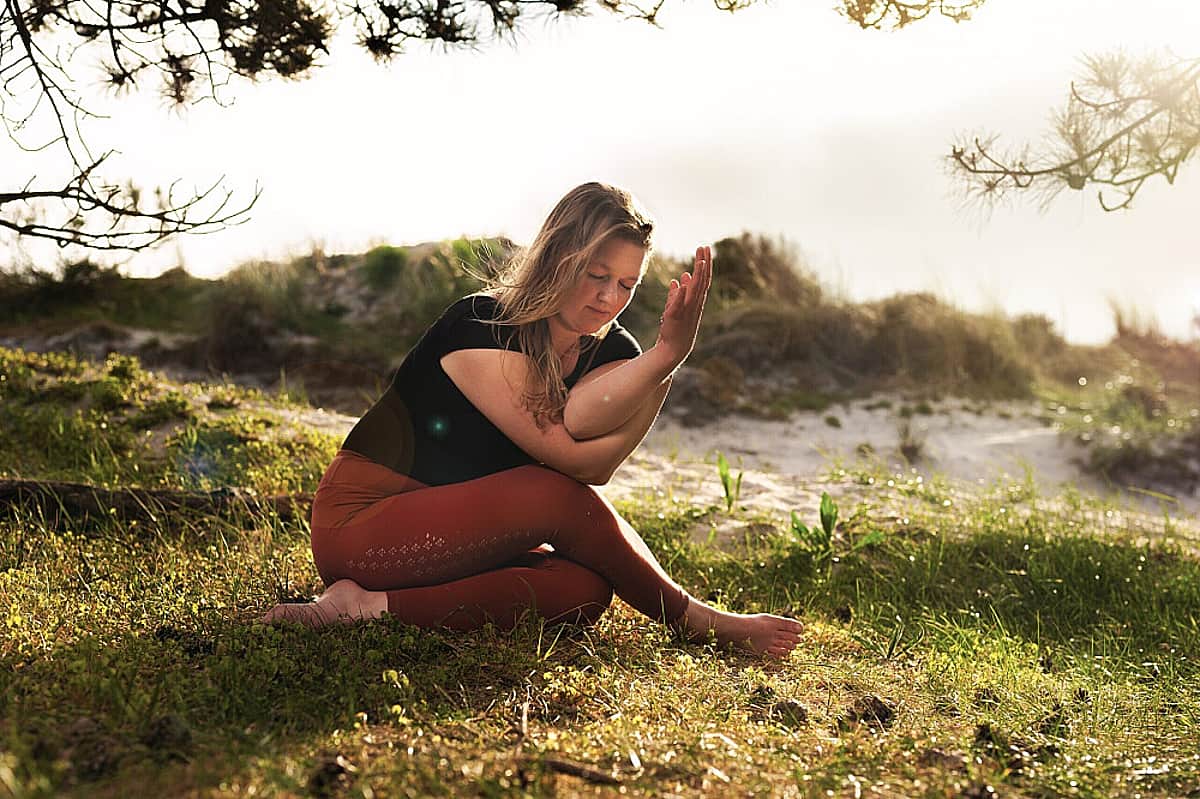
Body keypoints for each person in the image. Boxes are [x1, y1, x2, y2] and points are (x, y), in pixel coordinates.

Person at [259, 181, 803, 659]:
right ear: (559, 256)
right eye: (596, 275)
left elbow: (590, 436)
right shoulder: (481, 324)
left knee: (583, 589)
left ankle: (364, 608)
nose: (608, 298)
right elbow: (575, 463)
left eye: (627, 284)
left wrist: (663, 361)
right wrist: (663, 358)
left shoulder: (613, 351)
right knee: (548, 491)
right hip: (365, 526)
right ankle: (696, 619)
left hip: (463, 535)